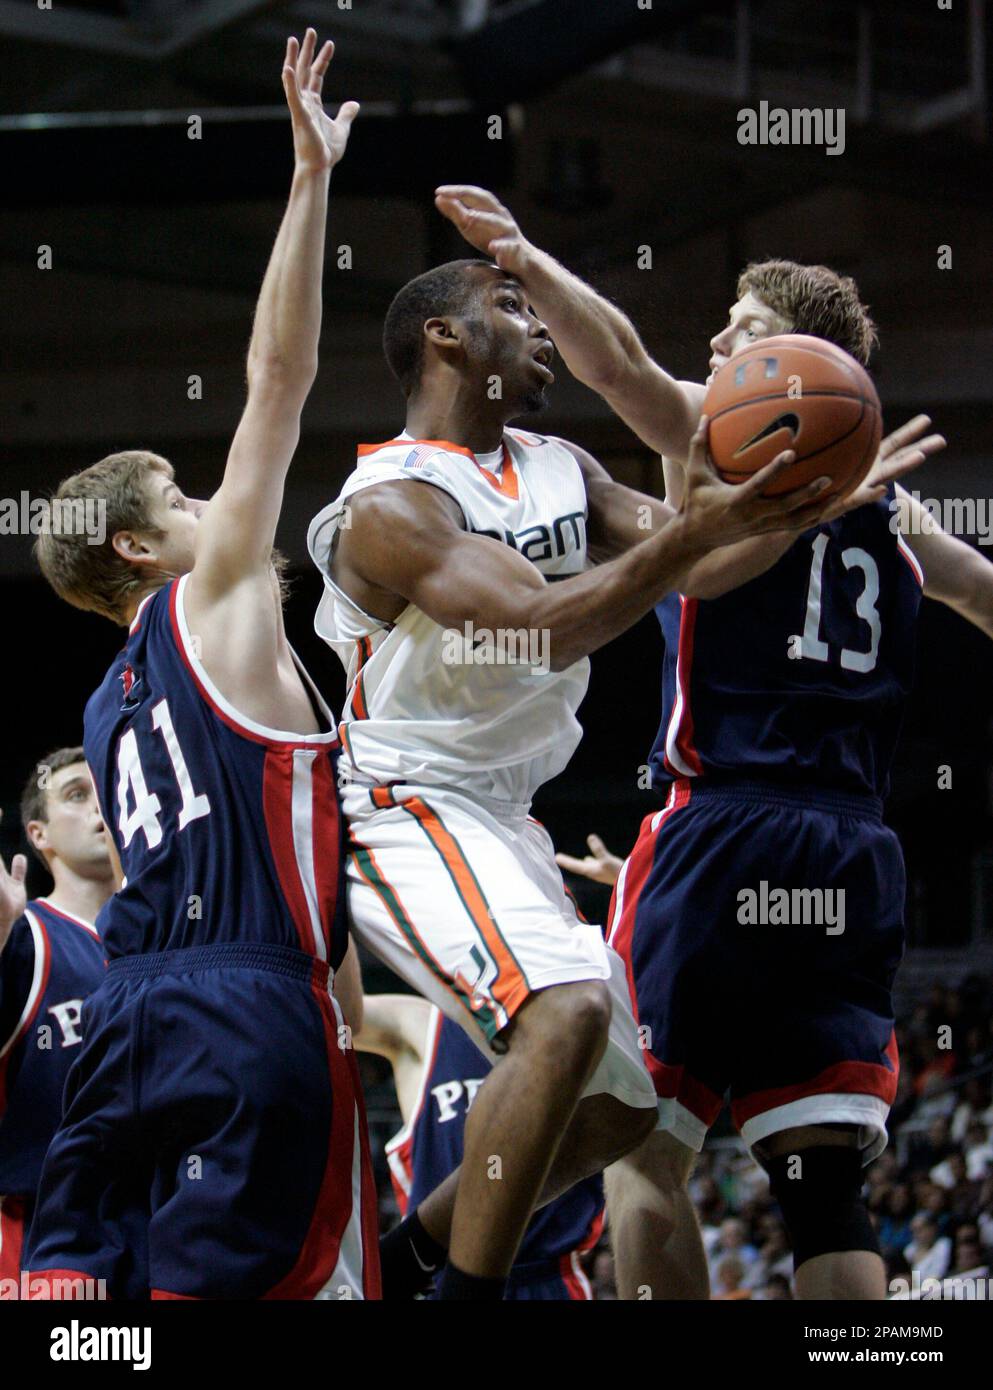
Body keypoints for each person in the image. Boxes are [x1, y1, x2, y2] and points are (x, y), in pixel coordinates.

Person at [307, 211, 880, 1296]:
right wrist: (696, 530)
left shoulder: (561, 465)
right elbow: (543, 623)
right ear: (442, 338)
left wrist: (810, 499)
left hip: (507, 815)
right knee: (563, 1013)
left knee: (619, 1110)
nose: (534, 328)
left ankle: (409, 1254)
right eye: (509, 307)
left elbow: (703, 572)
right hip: (404, 801)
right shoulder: (387, 504)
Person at [433, 183, 987, 1301]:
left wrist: (529, 262)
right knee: (827, 1188)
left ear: (788, 354)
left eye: (736, 324)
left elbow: (617, 361)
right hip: (853, 854)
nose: (716, 341)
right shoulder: (895, 509)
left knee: (646, 1150)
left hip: (720, 826)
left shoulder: (738, 434)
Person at [24, 31, 378, 1300]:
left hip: (125, 1022)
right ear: (138, 543)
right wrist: (308, 177)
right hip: (247, 1012)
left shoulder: (103, 708)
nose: (211, 502)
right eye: (181, 494)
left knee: (88, 1309)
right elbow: (278, 380)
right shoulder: (210, 594)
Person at [357, 993, 604, 1299]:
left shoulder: (587, 1015)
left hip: (546, 1278)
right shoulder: (425, 1024)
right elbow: (333, 1005)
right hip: (435, 1276)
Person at [0, 749, 115, 1294]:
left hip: (161, 1232)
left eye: (106, 788)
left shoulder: (172, 943)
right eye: (77, 795)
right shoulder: (27, 938)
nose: (101, 806)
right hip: (42, 1245)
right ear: (37, 835)